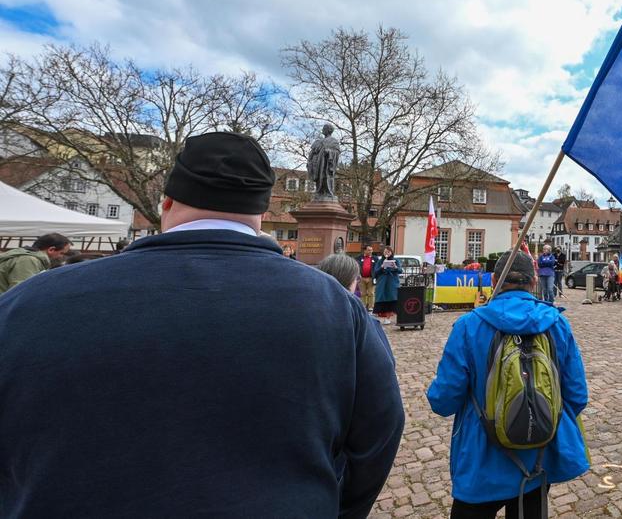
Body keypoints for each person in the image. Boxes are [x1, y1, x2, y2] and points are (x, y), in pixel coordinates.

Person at [0, 132, 404, 517]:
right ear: (262, 211)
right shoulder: (335, 306)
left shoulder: (27, 303)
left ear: (166, 201)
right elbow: (378, 432)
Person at [427, 250, 589, 518]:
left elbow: (444, 401)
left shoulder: (469, 326)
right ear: (534, 282)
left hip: (481, 459)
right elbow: (577, 395)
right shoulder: (557, 324)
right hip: (538, 457)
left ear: (493, 280)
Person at [0, 233, 72, 293]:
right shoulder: (28, 260)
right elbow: (20, 292)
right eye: (61, 253)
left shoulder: (27, 257)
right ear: (51, 249)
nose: (61, 257)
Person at [373, 246, 400, 325]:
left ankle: (388, 317)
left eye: (388, 252)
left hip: (392, 282)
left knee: (391, 298)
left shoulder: (396, 260)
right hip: (382, 282)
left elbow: (400, 270)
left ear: (391, 253)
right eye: (385, 252)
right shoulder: (380, 261)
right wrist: (381, 267)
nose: (386, 253)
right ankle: (384, 316)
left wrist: (395, 267)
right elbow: (375, 272)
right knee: (382, 297)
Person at [357, 245, 380, 312]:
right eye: (369, 250)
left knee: (371, 293)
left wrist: (376, 276)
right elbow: (356, 266)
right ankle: (363, 306)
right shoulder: (359, 258)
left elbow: (377, 268)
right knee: (363, 293)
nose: (371, 251)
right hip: (361, 278)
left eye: (371, 250)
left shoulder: (375, 258)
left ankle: (371, 307)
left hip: (371, 278)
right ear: (365, 250)